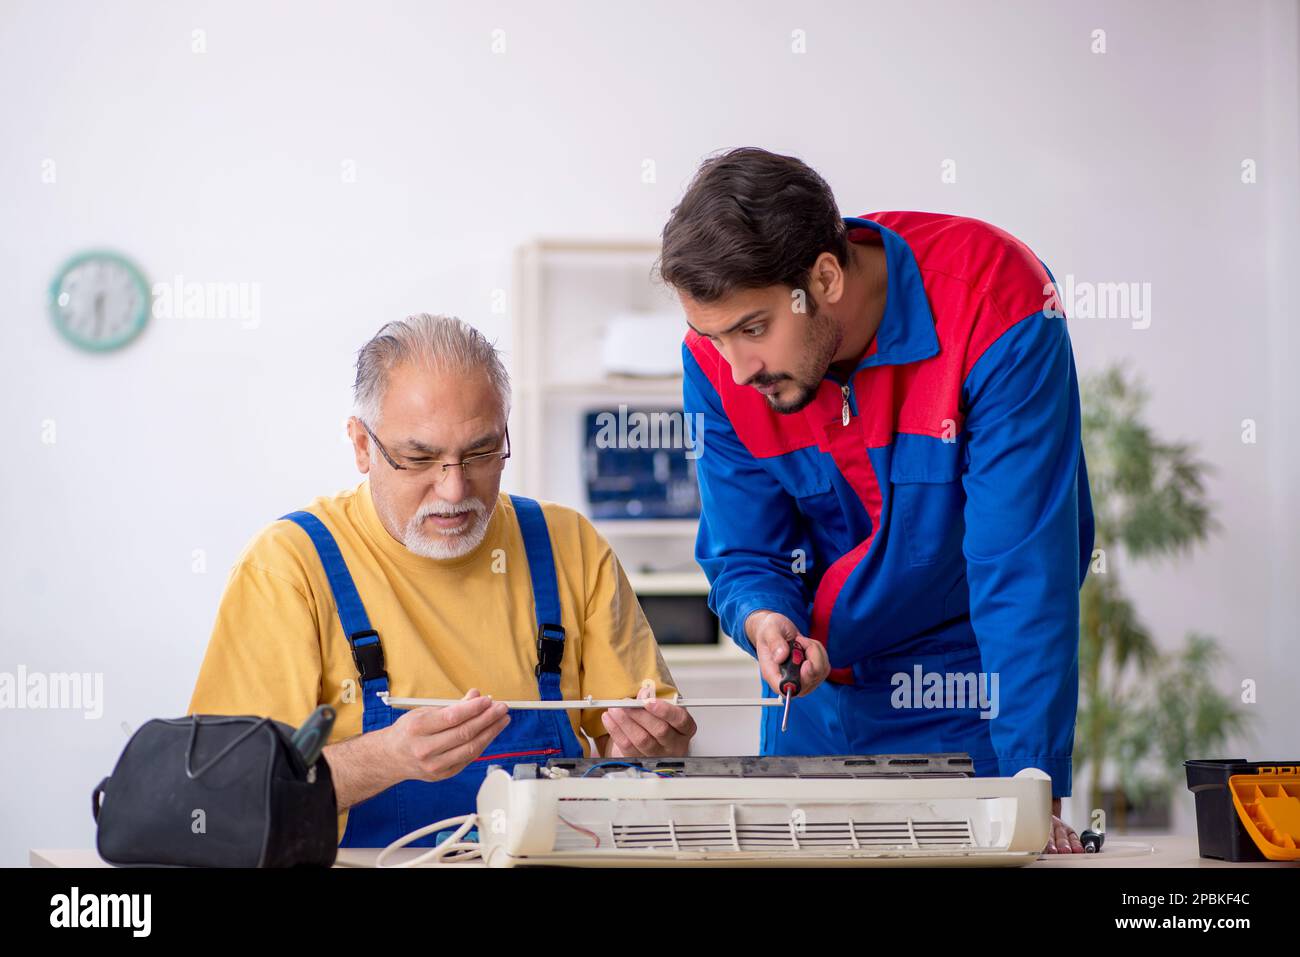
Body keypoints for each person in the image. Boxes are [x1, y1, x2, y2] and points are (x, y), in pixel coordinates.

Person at [658, 148, 1094, 853]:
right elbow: (746, 551)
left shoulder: (995, 300)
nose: (736, 370)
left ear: (824, 277)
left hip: (970, 705)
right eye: (714, 337)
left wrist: (1029, 784)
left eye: (753, 329)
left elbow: (1023, 574)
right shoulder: (720, 362)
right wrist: (768, 622)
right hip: (815, 707)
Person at [189, 313, 696, 847]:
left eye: (479, 453)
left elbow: (636, 766)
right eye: (419, 458)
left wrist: (648, 753)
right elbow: (227, 800)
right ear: (362, 446)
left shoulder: (569, 545)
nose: (455, 491)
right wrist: (384, 759)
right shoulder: (287, 568)